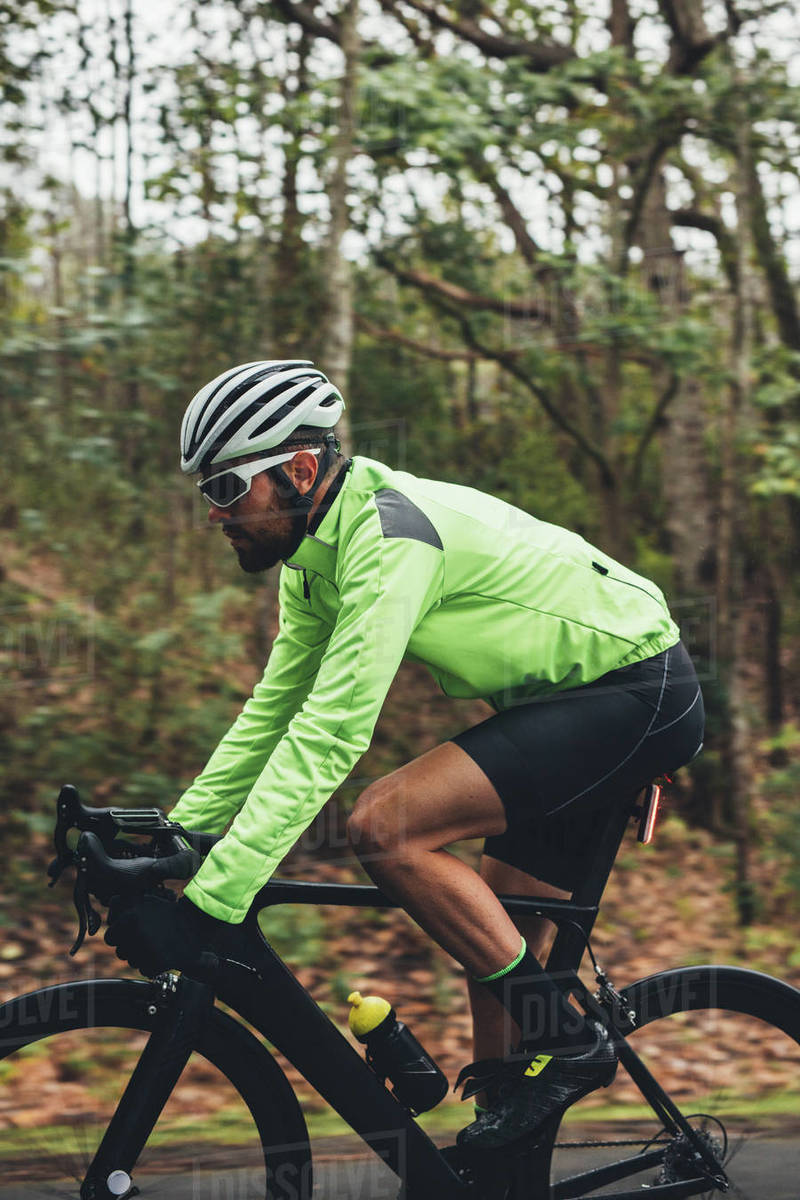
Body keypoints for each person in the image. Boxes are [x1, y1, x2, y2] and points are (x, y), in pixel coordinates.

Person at [106, 359, 705, 1147]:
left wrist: (215, 895)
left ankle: (574, 1045)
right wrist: (177, 840)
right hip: (560, 703)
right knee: (489, 936)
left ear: (300, 469)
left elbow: (331, 732)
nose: (215, 516)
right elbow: (272, 712)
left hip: (638, 690)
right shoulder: (314, 561)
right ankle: (501, 1159)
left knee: (387, 825)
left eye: (225, 490)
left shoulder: (390, 536)